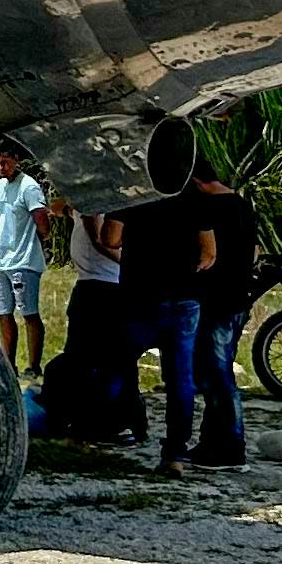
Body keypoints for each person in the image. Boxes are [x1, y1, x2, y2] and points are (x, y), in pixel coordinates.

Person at [109, 185, 215, 474]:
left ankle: (109, 424)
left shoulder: (133, 193)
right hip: (184, 297)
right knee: (181, 379)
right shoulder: (194, 197)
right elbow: (209, 252)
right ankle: (174, 454)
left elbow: (111, 238)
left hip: (140, 295)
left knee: (118, 361)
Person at [184, 155, 261, 466]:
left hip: (215, 298)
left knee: (216, 375)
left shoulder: (208, 209)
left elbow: (203, 252)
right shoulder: (243, 205)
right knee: (218, 370)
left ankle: (230, 443)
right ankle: (213, 440)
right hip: (238, 297)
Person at [48, 198, 134, 439]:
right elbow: (56, 206)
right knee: (87, 356)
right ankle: (89, 418)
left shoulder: (101, 201)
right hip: (95, 283)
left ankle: (104, 420)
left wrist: (130, 265)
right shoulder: (88, 197)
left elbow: (100, 240)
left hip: (104, 285)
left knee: (98, 357)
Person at [0, 139, 49, 374]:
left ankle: (34, 365)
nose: (1, 168)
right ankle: (8, 364)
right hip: (2, 258)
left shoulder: (29, 187)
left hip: (24, 258)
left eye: (5, 162)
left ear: (16, 161)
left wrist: (42, 239)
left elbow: (41, 218)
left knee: (29, 312)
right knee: (2, 311)